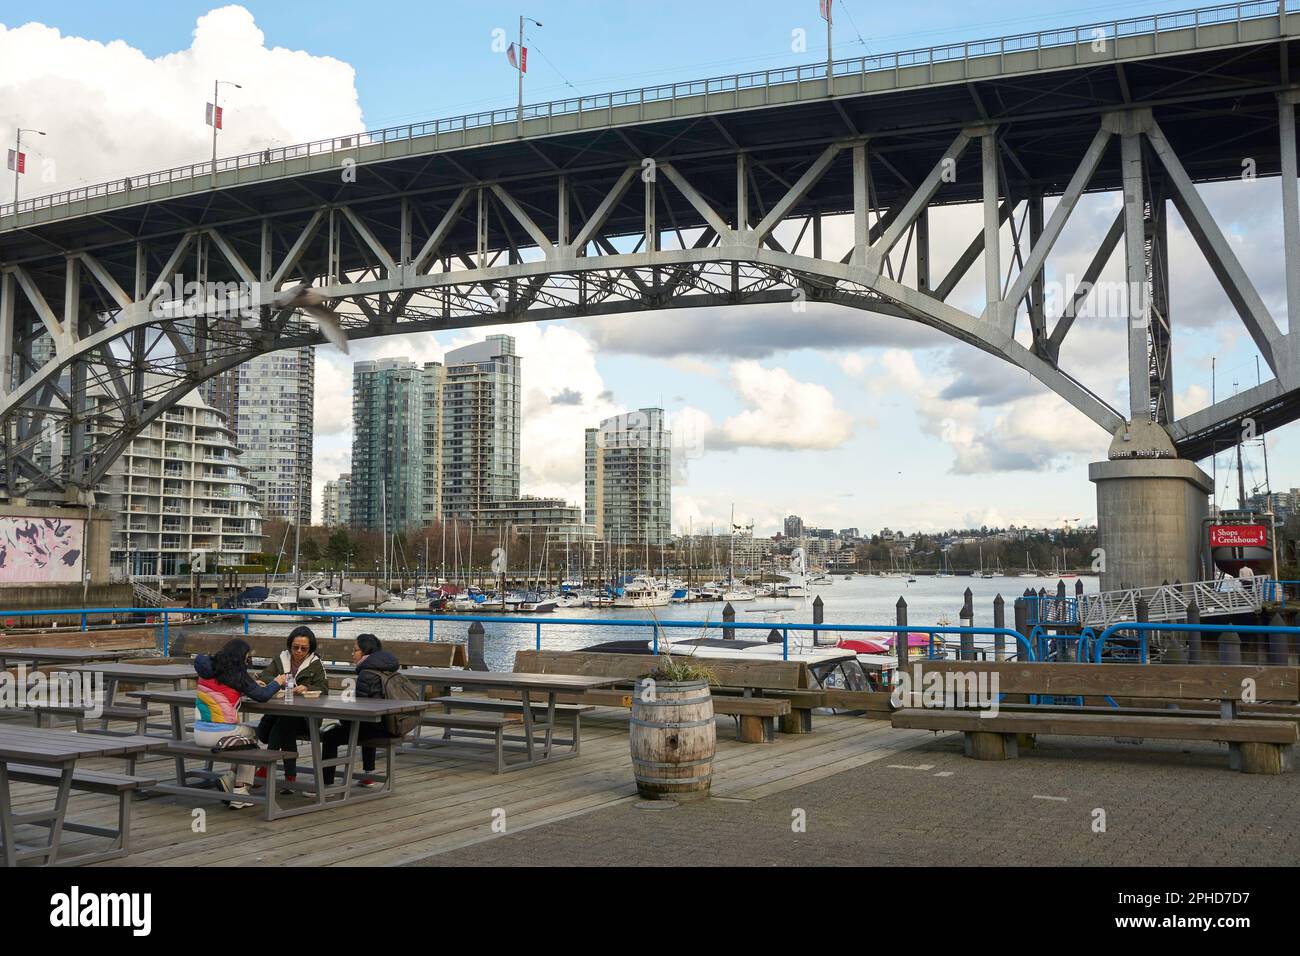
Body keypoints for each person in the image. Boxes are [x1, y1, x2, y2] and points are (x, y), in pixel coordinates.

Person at [194, 638, 289, 809]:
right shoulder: (237, 675)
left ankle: (231, 780)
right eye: (247, 658)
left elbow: (231, 687)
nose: (247, 662)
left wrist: (251, 684)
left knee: (244, 738)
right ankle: (240, 790)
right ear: (240, 657)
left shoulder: (207, 668)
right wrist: (278, 682)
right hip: (219, 734)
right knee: (251, 741)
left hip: (199, 732)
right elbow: (262, 696)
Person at [254, 626, 329, 793]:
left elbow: (323, 688)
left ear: (310, 649)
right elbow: (264, 675)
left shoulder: (315, 664)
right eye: (295, 647)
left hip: (307, 719)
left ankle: (267, 768)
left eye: (304, 648)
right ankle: (290, 777)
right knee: (285, 724)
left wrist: (306, 688)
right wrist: (277, 681)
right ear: (290, 645)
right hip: (282, 713)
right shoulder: (282, 658)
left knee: (284, 723)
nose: (299, 651)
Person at [321, 633, 400, 787]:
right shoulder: (388, 667)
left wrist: (341, 719)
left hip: (379, 728)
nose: (352, 653)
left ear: (366, 652)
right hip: (392, 723)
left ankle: (324, 784)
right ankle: (368, 774)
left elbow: (361, 711)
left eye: (355, 650)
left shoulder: (366, 674)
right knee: (363, 725)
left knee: (331, 735)